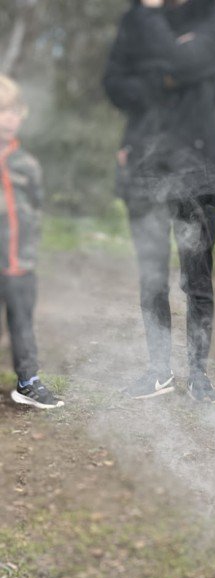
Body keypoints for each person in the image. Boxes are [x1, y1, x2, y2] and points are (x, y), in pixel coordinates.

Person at [103, 0, 215, 402]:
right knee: (151, 279)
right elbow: (114, 83)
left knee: (197, 280)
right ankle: (158, 372)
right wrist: (167, 72)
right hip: (145, 165)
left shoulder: (211, 15)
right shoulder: (135, 18)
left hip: (197, 166)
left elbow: (190, 64)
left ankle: (198, 376)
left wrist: (158, 58)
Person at [0, 76, 63, 410]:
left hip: (21, 266)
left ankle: (28, 382)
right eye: (2, 111)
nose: (10, 118)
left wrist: (30, 248)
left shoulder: (27, 165)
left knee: (23, 325)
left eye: (14, 111)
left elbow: (37, 207)